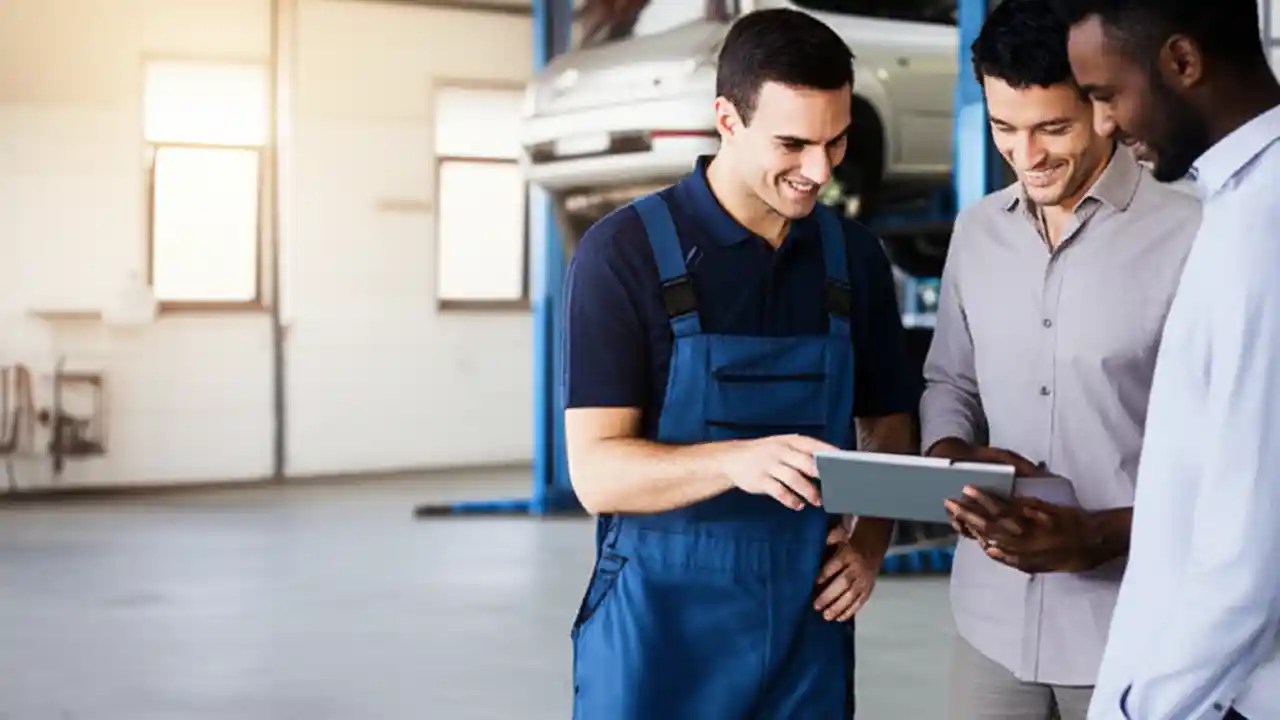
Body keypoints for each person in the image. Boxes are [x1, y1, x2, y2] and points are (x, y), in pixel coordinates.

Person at [559, 8, 917, 719]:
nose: (818, 170)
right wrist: (733, 462)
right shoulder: (623, 255)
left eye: (836, 141)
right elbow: (597, 474)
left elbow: (889, 425)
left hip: (804, 625)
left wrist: (871, 539)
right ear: (726, 117)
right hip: (658, 628)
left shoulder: (854, 260)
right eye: (792, 144)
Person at [919, 1, 1202, 718]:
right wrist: (950, 451)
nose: (1026, 155)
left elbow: (1235, 453)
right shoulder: (977, 232)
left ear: (1102, 105)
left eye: (1053, 127)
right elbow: (950, 377)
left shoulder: (1193, 233)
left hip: (1134, 626)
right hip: (991, 622)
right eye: (1003, 128)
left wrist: (1104, 536)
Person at [1056, 1, 1280, 718]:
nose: (1104, 127)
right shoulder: (1237, 200)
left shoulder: (1263, 229)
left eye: (1105, 95)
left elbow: (1251, 555)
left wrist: (1143, 709)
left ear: (1183, 63)